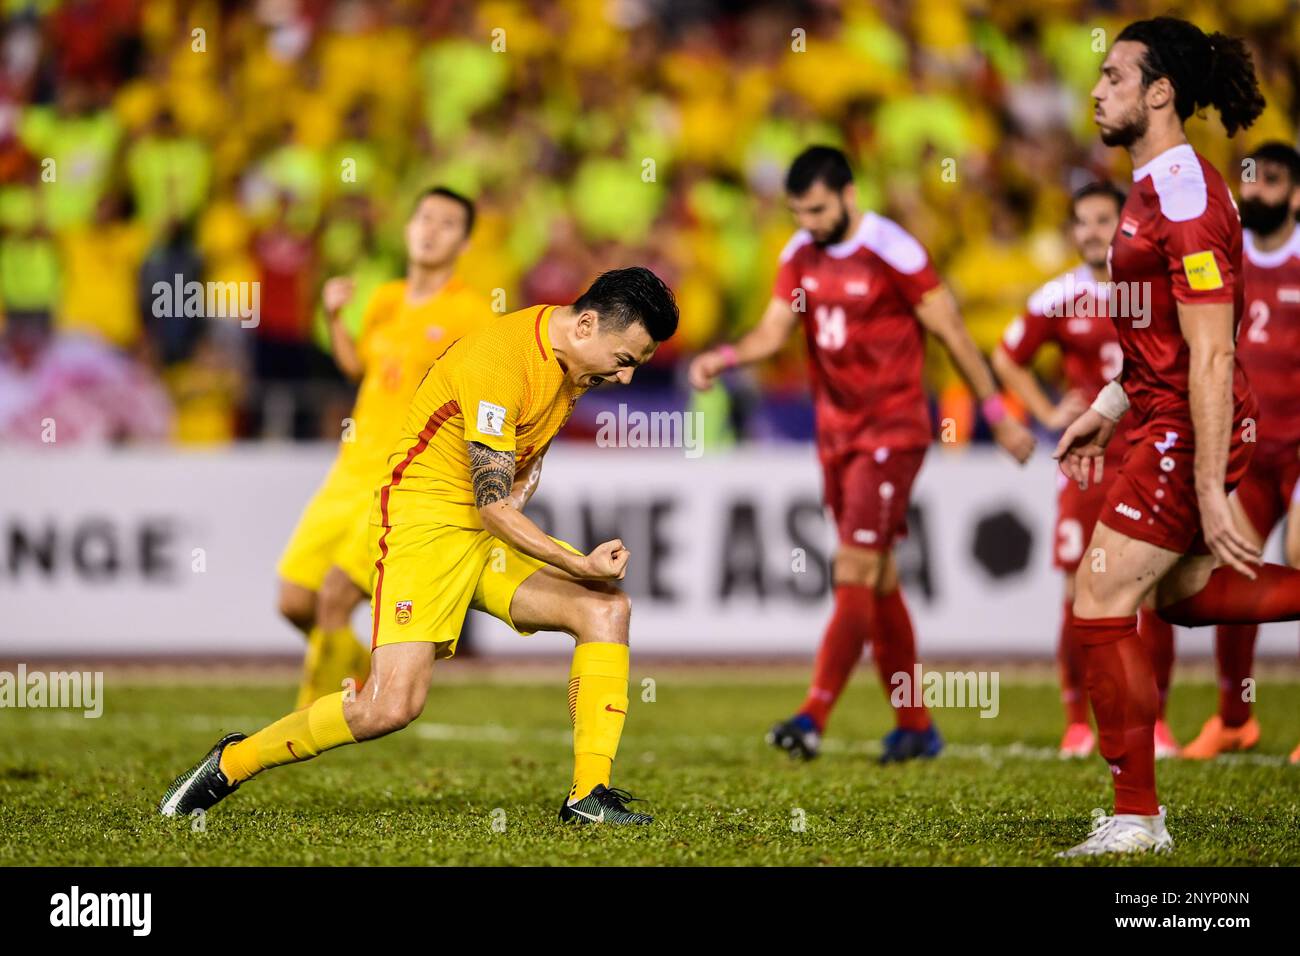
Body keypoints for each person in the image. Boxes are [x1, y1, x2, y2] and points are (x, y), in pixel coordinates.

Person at [160, 267, 679, 826]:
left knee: (605, 610)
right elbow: (494, 505)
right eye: (625, 361)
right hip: (424, 530)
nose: (625, 379)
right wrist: (578, 562)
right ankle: (231, 762)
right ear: (585, 325)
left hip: (484, 537)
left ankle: (589, 795)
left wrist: (531, 490)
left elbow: (522, 467)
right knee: (388, 708)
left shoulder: (573, 366)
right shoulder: (499, 362)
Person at [689, 146, 1035, 764]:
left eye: (818, 210)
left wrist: (996, 412)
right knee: (879, 580)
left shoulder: (893, 250)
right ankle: (916, 726)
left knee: (853, 567)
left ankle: (812, 714)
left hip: (892, 430)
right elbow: (774, 331)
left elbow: (952, 331)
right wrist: (727, 356)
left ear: (849, 195)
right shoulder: (799, 253)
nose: (810, 224)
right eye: (799, 213)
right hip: (836, 434)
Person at [1054, 17, 1300, 856]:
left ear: (1160, 92)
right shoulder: (1155, 183)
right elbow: (1160, 341)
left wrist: (1203, 478)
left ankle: (1137, 819)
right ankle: (1135, 814)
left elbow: (1212, 349)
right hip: (1159, 416)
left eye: (1115, 77)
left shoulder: (1186, 194)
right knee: (1178, 595)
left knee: (1099, 600)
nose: (1097, 90)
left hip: (1188, 426)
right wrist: (1111, 405)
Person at [276, 187, 489, 707]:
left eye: (447, 223)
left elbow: (482, 396)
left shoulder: (472, 314)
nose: (431, 229)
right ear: (408, 227)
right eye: (424, 217)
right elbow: (359, 369)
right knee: (294, 601)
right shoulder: (385, 298)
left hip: (399, 477)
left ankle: (311, 719)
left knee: (333, 596)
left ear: (463, 244)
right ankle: (359, 684)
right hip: (350, 469)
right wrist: (333, 318)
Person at [993, 182, 1178, 759]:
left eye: (1105, 219)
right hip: (1086, 465)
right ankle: (1077, 721)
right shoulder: (1059, 295)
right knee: (1078, 589)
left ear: (1126, 227)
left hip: (1149, 453)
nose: (1093, 231)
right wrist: (1049, 413)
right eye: (1083, 221)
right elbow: (1006, 357)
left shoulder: (1154, 288)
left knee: (1154, 592)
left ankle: (1158, 720)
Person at [1180, 142, 1300, 763]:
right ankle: (1234, 719)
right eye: (1248, 180)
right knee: (1233, 575)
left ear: (1296, 194)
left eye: (1271, 181)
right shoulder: (1225, 258)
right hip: (1250, 451)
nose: (1254, 192)